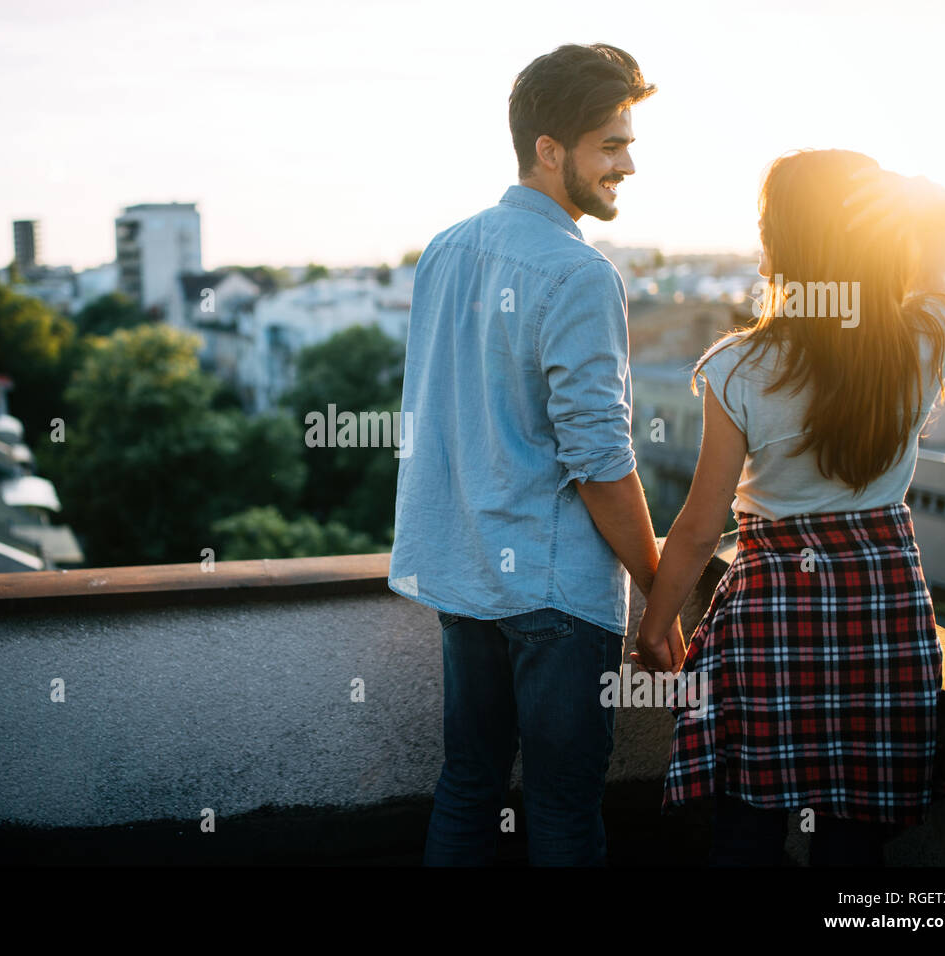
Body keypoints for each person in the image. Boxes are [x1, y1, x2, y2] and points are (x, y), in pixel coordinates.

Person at [387, 42, 683, 866]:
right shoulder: (579, 273)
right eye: (612, 145)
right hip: (553, 590)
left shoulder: (445, 249)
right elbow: (599, 458)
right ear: (549, 150)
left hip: (468, 569)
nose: (628, 164)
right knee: (561, 810)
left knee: (468, 784)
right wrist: (660, 585)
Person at [634, 149, 945, 866]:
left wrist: (654, 626)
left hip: (773, 613)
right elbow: (936, 250)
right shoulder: (926, 343)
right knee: (855, 841)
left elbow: (699, 527)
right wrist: (915, 199)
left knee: (747, 827)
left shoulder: (739, 367)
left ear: (778, 244)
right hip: (883, 612)